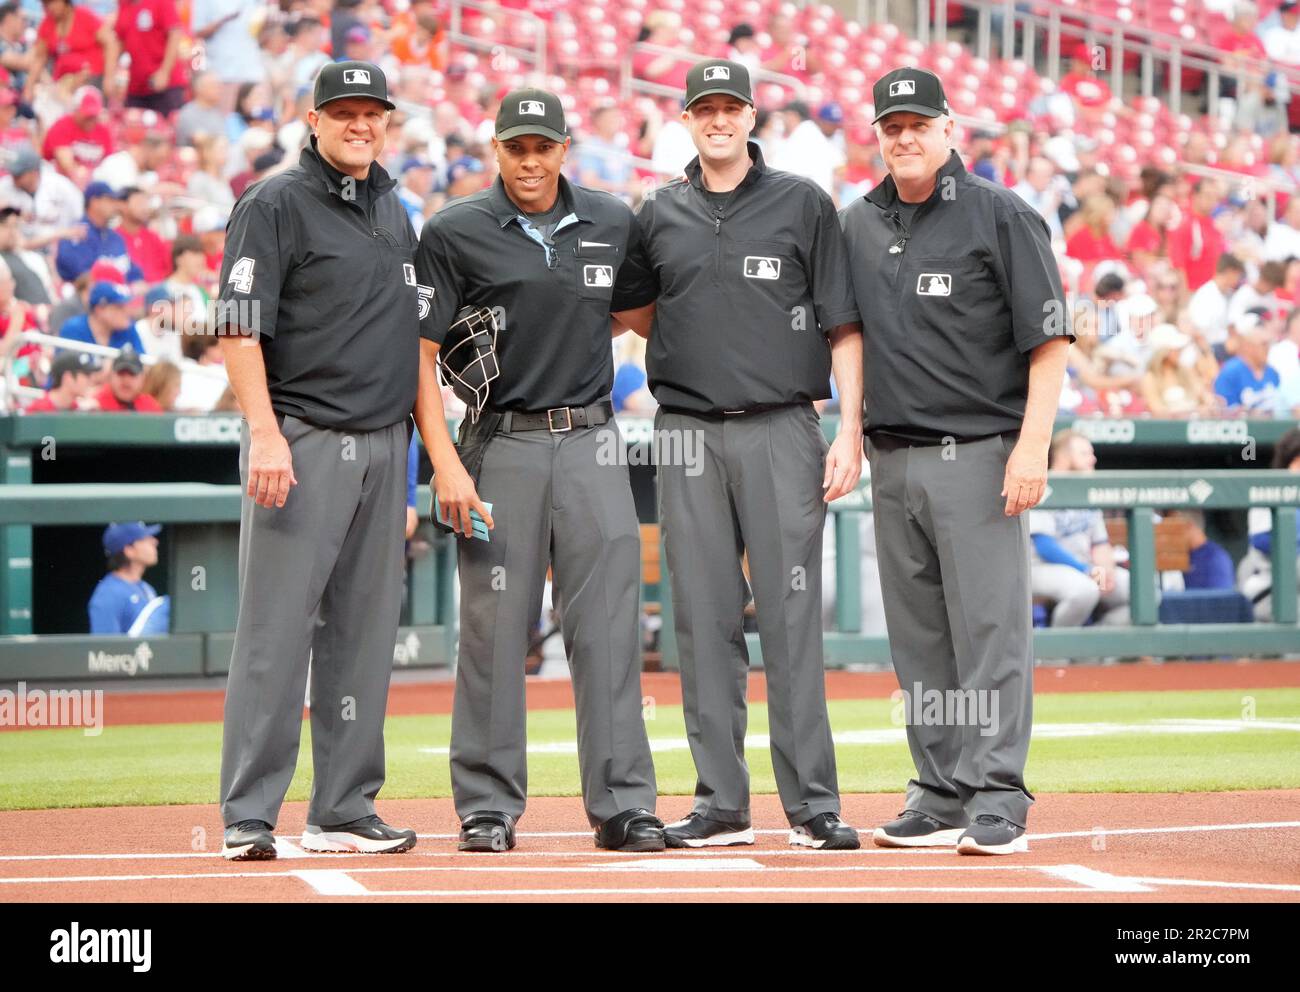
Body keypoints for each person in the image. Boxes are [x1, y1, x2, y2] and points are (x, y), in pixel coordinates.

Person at [618, 60, 865, 851]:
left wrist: (850, 428)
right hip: (687, 429)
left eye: (731, 107)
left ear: (752, 114)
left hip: (782, 426)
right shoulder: (657, 212)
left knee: (792, 621)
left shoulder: (802, 201)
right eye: (704, 108)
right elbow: (639, 312)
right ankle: (720, 801)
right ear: (686, 119)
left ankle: (813, 805)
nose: (718, 119)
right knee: (700, 621)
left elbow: (843, 325)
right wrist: (703, 350)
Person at [413, 86, 664, 855]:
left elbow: (642, 319)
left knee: (611, 630)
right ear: (496, 149)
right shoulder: (454, 230)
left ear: (564, 148)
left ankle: (622, 805)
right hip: (501, 445)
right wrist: (446, 465)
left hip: (592, 439)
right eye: (515, 146)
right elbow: (417, 359)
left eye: (542, 146)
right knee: (494, 633)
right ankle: (487, 808)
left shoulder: (613, 220)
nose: (530, 159)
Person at [840, 67, 1071, 855]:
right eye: (891, 125)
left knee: (990, 634)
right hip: (892, 458)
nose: (904, 136)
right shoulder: (857, 221)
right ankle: (939, 791)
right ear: (878, 134)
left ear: (948, 128)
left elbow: (1049, 342)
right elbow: (849, 341)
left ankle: (998, 793)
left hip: (978, 454)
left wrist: (1032, 445)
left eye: (918, 123)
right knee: (921, 648)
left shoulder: (1001, 213)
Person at [215, 60, 418, 861]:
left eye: (372, 113)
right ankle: (248, 813)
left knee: (363, 637)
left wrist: (405, 471)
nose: (359, 125)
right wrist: (265, 434)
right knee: (275, 631)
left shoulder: (396, 208)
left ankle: (342, 808)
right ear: (314, 119)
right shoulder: (273, 202)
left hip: (383, 444)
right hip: (302, 440)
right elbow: (237, 326)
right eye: (344, 113)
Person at [1029, 430, 1130, 627]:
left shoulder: (1087, 488)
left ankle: (1093, 652)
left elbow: (1099, 542)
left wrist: (1104, 571)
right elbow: (1044, 546)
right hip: (1041, 567)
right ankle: (1058, 654)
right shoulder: (1043, 485)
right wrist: (1087, 570)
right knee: (1084, 591)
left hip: (1085, 569)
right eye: (1084, 454)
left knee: (1140, 590)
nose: (1093, 459)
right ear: (1064, 457)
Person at [88, 522, 169, 634]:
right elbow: (105, 649)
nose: (154, 541)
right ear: (129, 550)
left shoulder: (146, 587)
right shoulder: (108, 593)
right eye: (145, 538)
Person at [59, 281, 146, 352]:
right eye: (119, 307)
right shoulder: (74, 329)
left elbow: (144, 366)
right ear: (100, 310)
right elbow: (63, 370)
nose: (127, 311)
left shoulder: (128, 328)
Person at [25, 349, 98, 411]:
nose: (91, 380)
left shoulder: (80, 409)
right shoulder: (39, 409)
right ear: (68, 378)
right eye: (87, 374)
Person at [93, 346, 162, 411]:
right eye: (121, 374)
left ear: (142, 378)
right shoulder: (96, 405)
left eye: (132, 374)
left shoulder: (150, 408)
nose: (126, 381)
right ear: (111, 376)